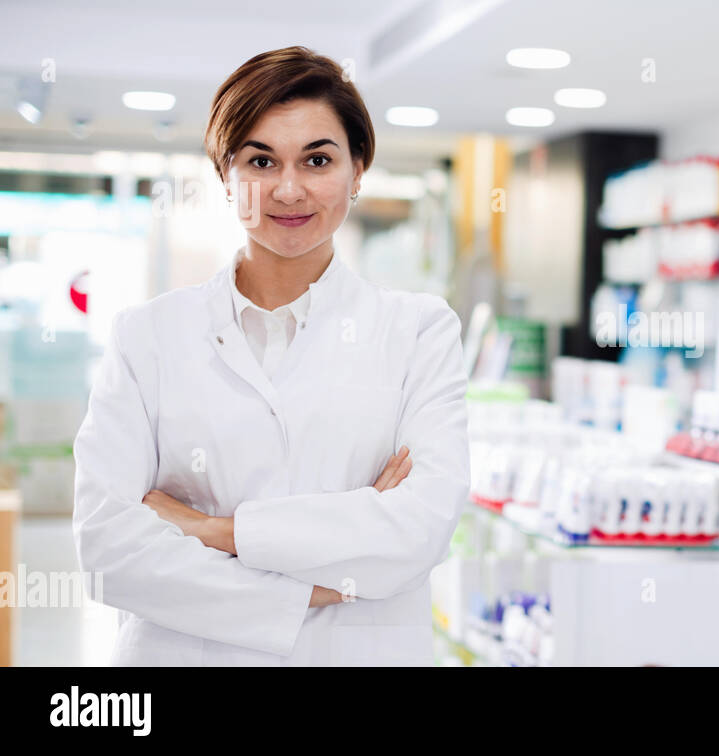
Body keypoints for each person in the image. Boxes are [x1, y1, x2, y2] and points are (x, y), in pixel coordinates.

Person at [71, 46, 469, 666]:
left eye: (317, 159)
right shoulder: (147, 336)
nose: (288, 188)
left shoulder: (418, 331)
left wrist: (216, 531)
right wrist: (315, 586)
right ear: (225, 175)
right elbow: (108, 553)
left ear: (359, 170)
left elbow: (417, 531)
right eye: (260, 160)